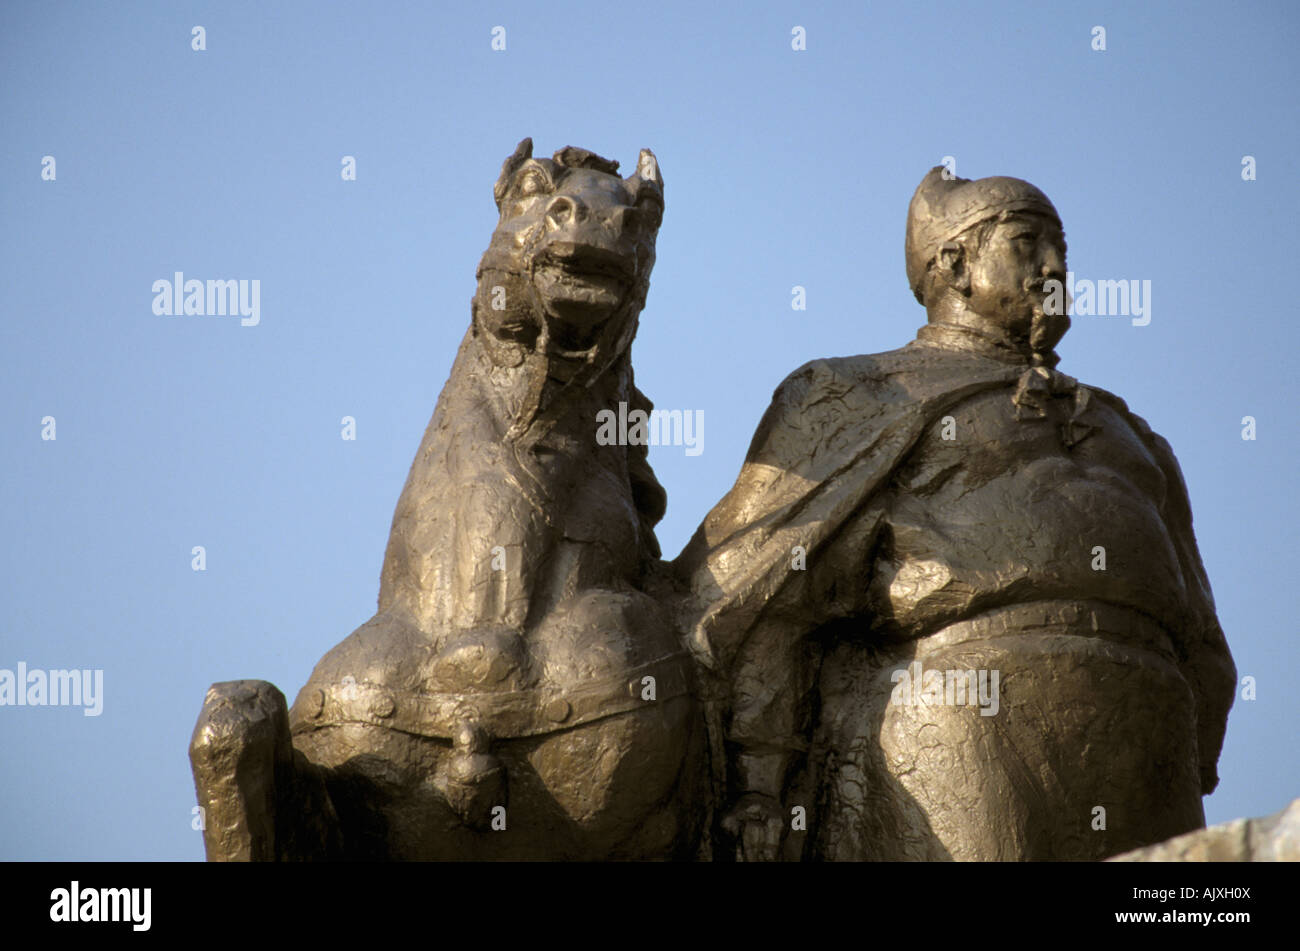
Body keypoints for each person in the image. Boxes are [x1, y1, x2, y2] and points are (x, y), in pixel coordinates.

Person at [674, 167, 1236, 860]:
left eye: (1062, 248)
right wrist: (758, 781)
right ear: (956, 264)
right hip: (964, 725)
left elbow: (1204, 628)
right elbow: (770, 598)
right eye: (1029, 242)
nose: (1055, 266)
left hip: (1152, 734)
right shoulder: (862, 392)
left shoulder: (1130, 431)